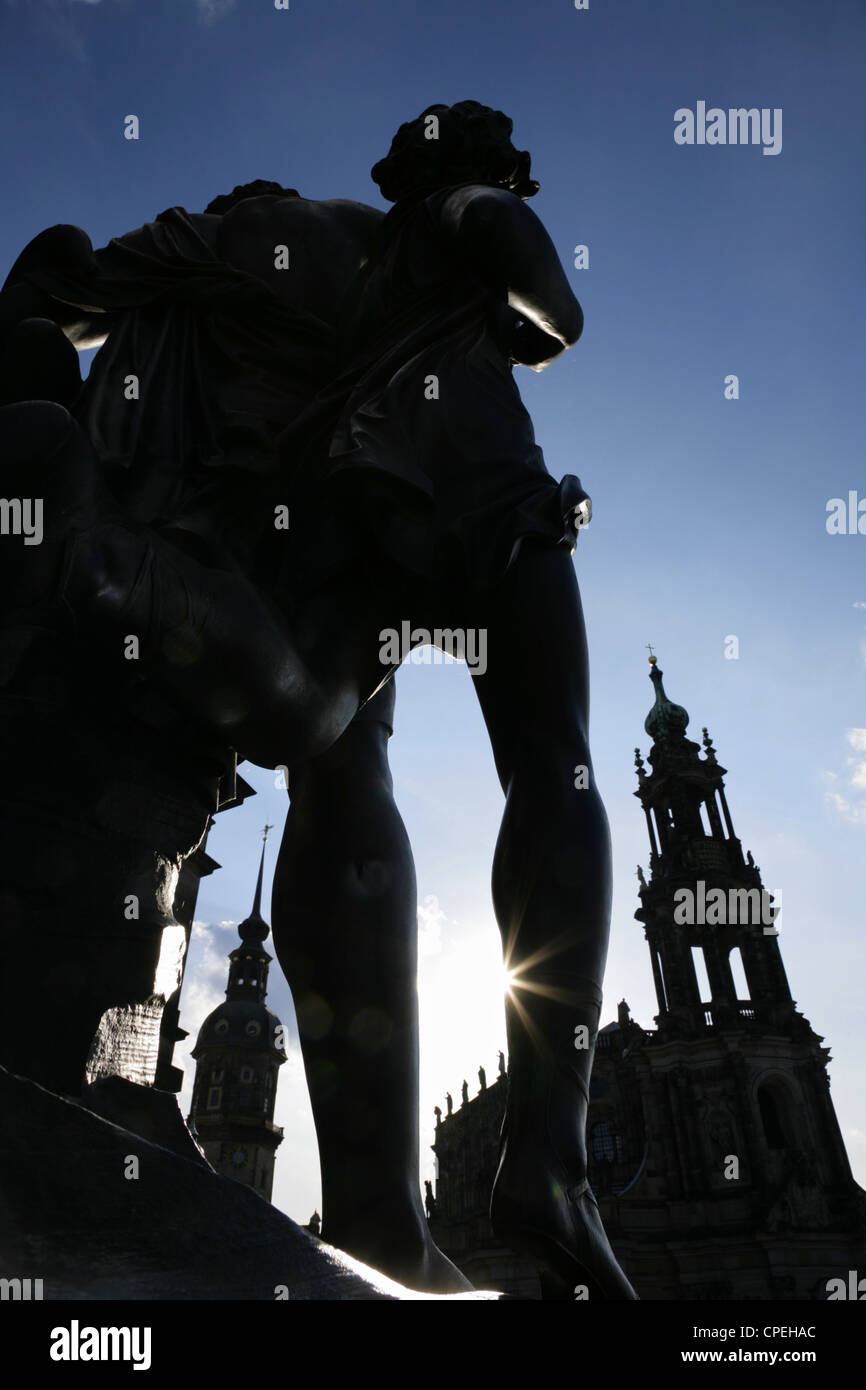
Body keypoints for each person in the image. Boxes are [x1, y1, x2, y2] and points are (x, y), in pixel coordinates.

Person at [271, 100, 637, 1299]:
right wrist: (511, 313)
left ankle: (370, 1207)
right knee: (553, 770)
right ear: (489, 172)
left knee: (341, 774)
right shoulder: (474, 215)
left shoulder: (358, 256)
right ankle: (547, 1160)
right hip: (474, 475)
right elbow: (558, 316)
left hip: (348, 494)